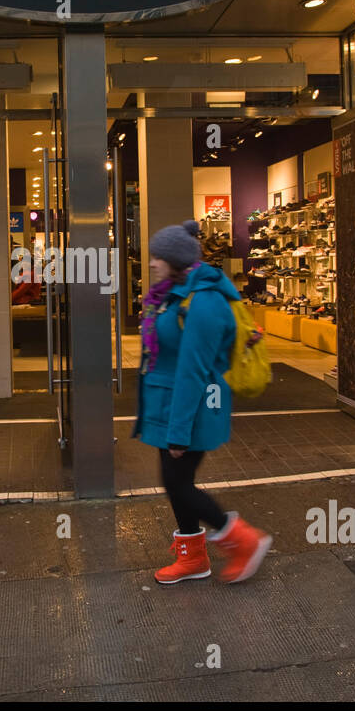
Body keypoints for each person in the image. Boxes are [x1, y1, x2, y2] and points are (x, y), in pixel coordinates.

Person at [133, 220, 272, 585]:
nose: (151, 264)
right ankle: (193, 557)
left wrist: (178, 432)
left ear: (175, 259)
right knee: (176, 482)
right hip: (170, 404)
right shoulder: (175, 292)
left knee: (178, 483)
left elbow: (194, 370)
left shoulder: (205, 302)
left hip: (191, 407)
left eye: (157, 257)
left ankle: (242, 540)